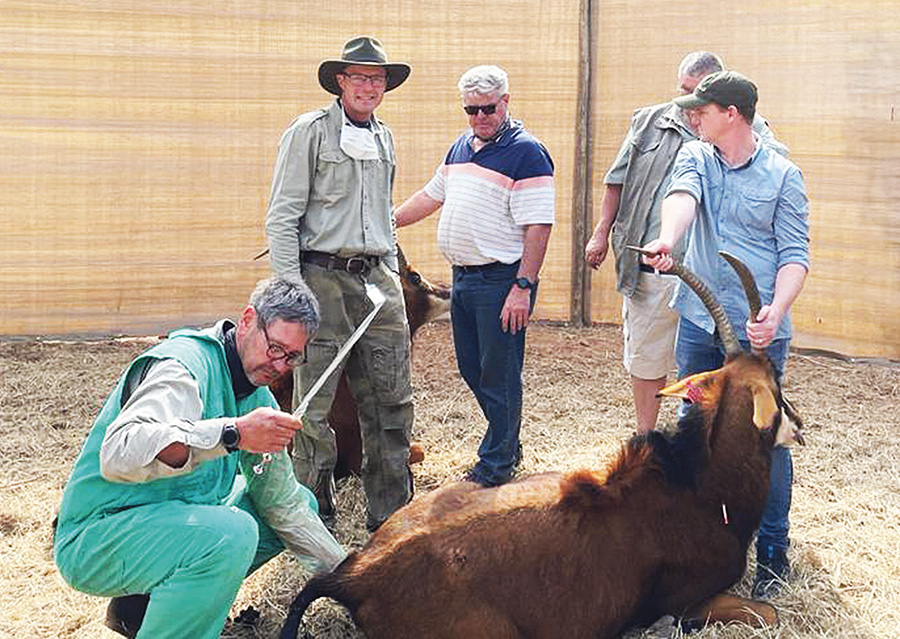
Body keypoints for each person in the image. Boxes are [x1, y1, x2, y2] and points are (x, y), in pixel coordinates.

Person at [53, 277, 346, 639]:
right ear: (248, 320)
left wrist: (353, 576)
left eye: (292, 357)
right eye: (274, 347)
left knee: (297, 502)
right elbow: (118, 453)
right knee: (232, 535)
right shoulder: (183, 367)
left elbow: (284, 504)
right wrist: (232, 434)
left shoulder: (257, 396)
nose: (279, 366)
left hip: (163, 528)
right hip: (96, 538)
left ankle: (144, 607)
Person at [641, 70, 810, 598]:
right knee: (695, 429)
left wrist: (776, 311)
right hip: (700, 321)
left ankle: (773, 555)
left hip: (760, 337)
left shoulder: (783, 175)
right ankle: (699, 544)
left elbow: (795, 255)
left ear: (732, 114)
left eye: (703, 109)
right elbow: (681, 199)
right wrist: (667, 239)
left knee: (768, 440)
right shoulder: (696, 155)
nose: (694, 116)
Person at [584, 51, 788, 433]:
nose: (691, 106)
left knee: (710, 368)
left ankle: (714, 441)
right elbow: (624, 181)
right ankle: (647, 438)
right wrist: (602, 232)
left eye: (700, 97)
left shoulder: (755, 132)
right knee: (647, 357)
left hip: (713, 277)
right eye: (684, 92)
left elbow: (777, 192)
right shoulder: (650, 121)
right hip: (657, 267)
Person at [264, 36, 414, 532]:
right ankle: (310, 515)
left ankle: (392, 516)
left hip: (377, 282)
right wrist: (293, 292)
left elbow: (384, 214)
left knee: (391, 398)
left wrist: (390, 269)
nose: (370, 87)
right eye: (360, 77)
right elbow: (282, 216)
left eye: (378, 79)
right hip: (321, 279)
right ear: (341, 82)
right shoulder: (309, 132)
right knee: (313, 405)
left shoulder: (385, 137)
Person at [394, 65, 554, 487]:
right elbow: (431, 195)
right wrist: (389, 220)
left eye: (488, 108)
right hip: (463, 278)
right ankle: (508, 441)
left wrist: (523, 286)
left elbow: (539, 225)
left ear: (506, 102)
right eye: (471, 109)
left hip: (501, 280)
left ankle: (496, 464)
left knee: (498, 374)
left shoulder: (527, 153)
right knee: (472, 368)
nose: (480, 117)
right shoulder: (461, 147)